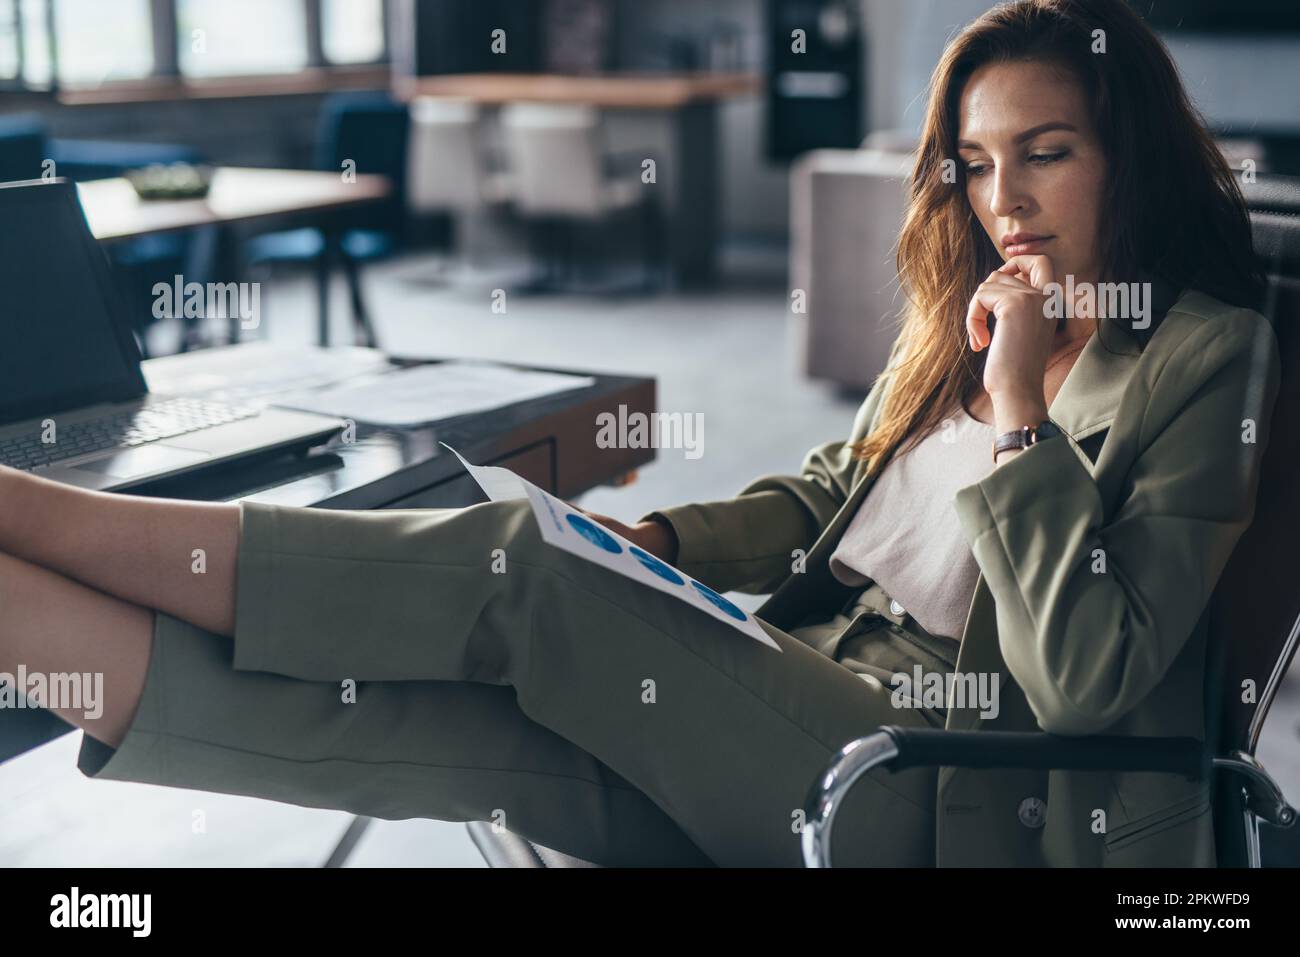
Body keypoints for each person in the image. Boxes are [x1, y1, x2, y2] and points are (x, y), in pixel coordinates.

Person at [0, 0, 1279, 866]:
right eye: (975, 162)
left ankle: (33, 506)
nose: (1003, 200)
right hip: (792, 687)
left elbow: (1086, 678)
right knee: (458, 734)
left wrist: (1017, 418)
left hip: (942, 785)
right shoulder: (975, 313)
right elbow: (839, 484)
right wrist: (660, 537)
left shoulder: (1203, 355)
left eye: (1046, 153)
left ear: (1131, 156)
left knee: (526, 568)